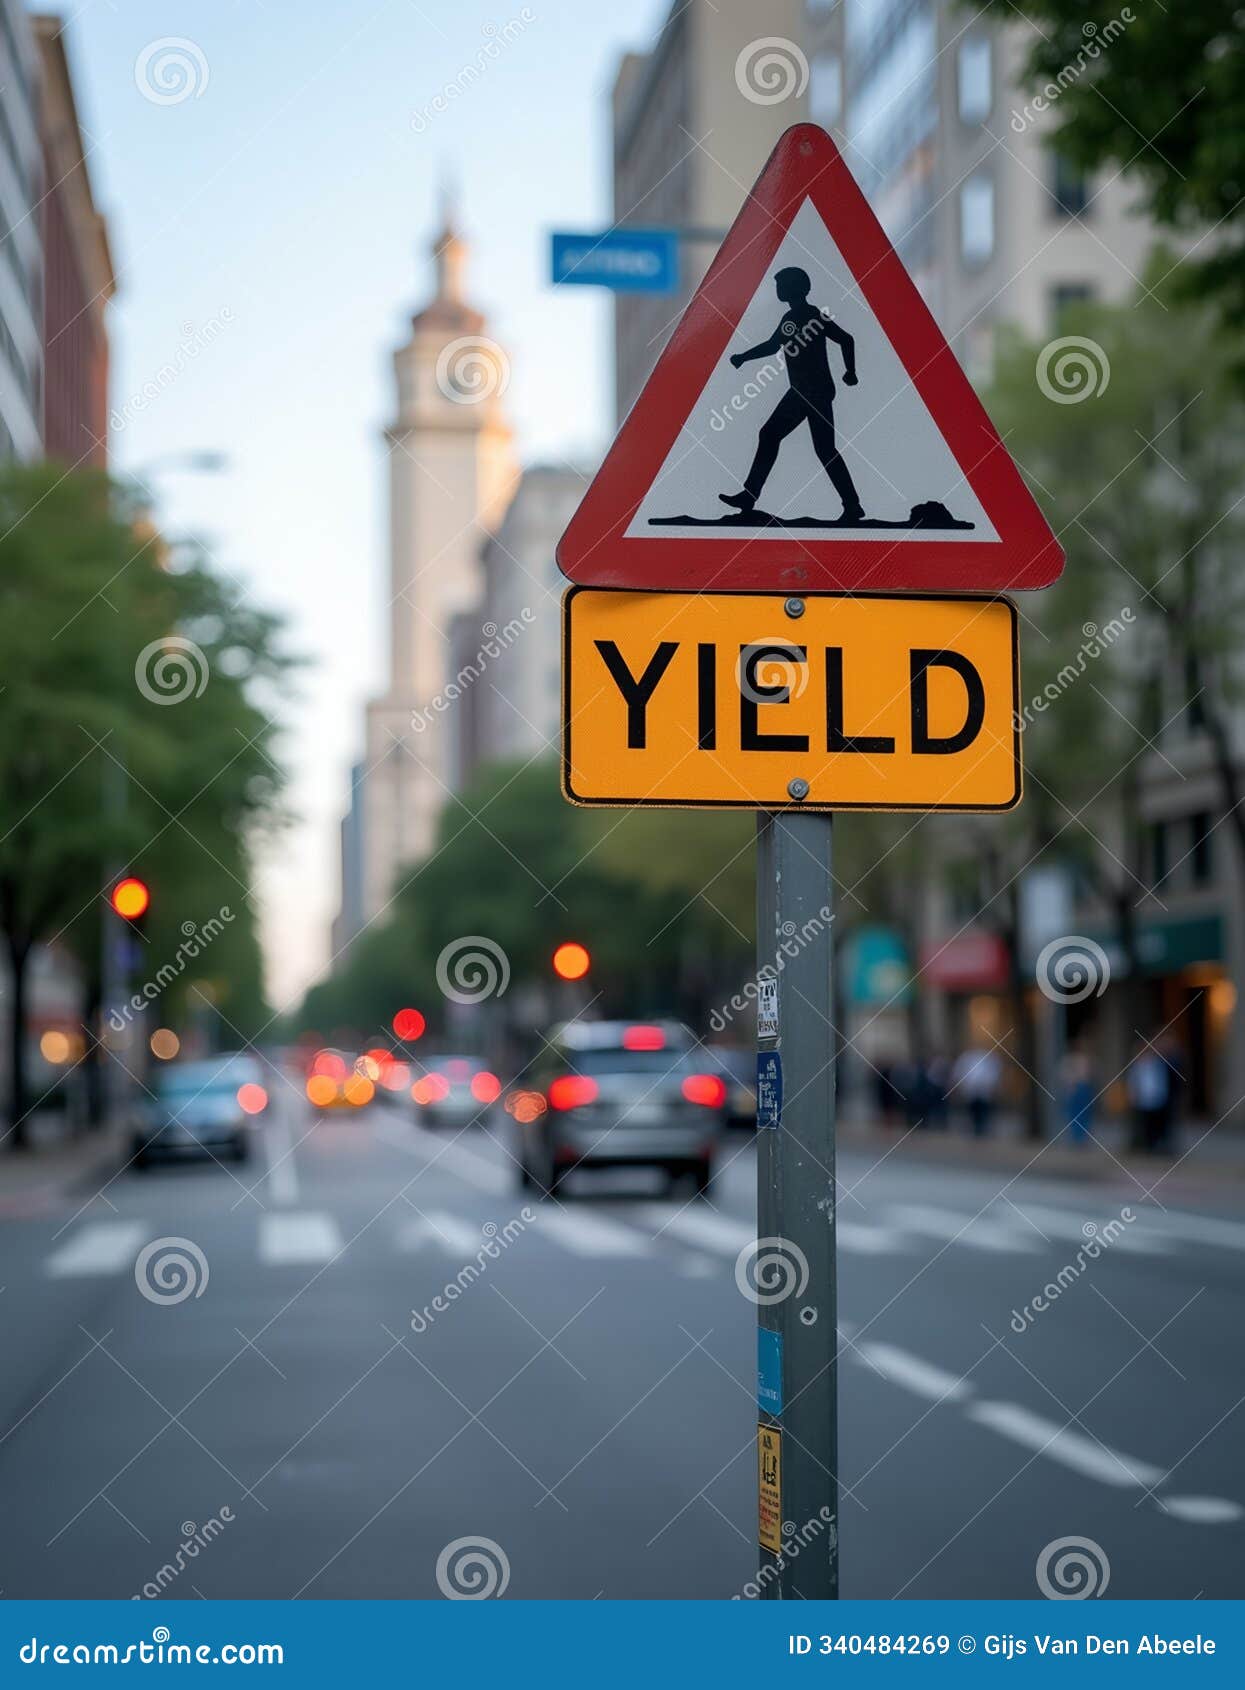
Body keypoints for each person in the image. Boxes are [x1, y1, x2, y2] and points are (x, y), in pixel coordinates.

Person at [720, 266, 865, 523]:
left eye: (781, 285)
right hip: (803, 390)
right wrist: (744, 357)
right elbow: (773, 345)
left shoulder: (808, 316)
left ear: (793, 288)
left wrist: (851, 372)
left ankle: (852, 505)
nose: (777, 289)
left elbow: (847, 339)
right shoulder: (796, 316)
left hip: (812, 391)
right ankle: (852, 505)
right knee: (816, 447)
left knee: (796, 441)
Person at [951, 1041, 1003, 1137]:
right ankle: (976, 1128)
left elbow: (994, 1073)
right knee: (973, 1110)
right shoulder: (967, 1057)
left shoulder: (989, 1058)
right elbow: (960, 1072)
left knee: (983, 1110)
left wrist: (992, 1086)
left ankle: (981, 1128)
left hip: (983, 1089)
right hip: (971, 1089)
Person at [1127, 1038, 1171, 1154]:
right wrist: (1133, 1095)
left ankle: (1155, 1144)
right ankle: (1143, 1144)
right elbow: (1132, 1082)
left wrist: (1162, 1095)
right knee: (1143, 1123)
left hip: (1156, 1099)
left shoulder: (1158, 1065)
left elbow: (1161, 1081)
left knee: (1155, 1123)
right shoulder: (1137, 1066)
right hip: (1142, 1100)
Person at [1060, 1047, 1096, 1146]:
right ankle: (1079, 1138)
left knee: (1082, 1115)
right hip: (1077, 1088)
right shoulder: (1072, 1060)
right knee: (1077, 1115)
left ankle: (1081, 1138)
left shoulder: (1077, 1060)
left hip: (1080, 1088)